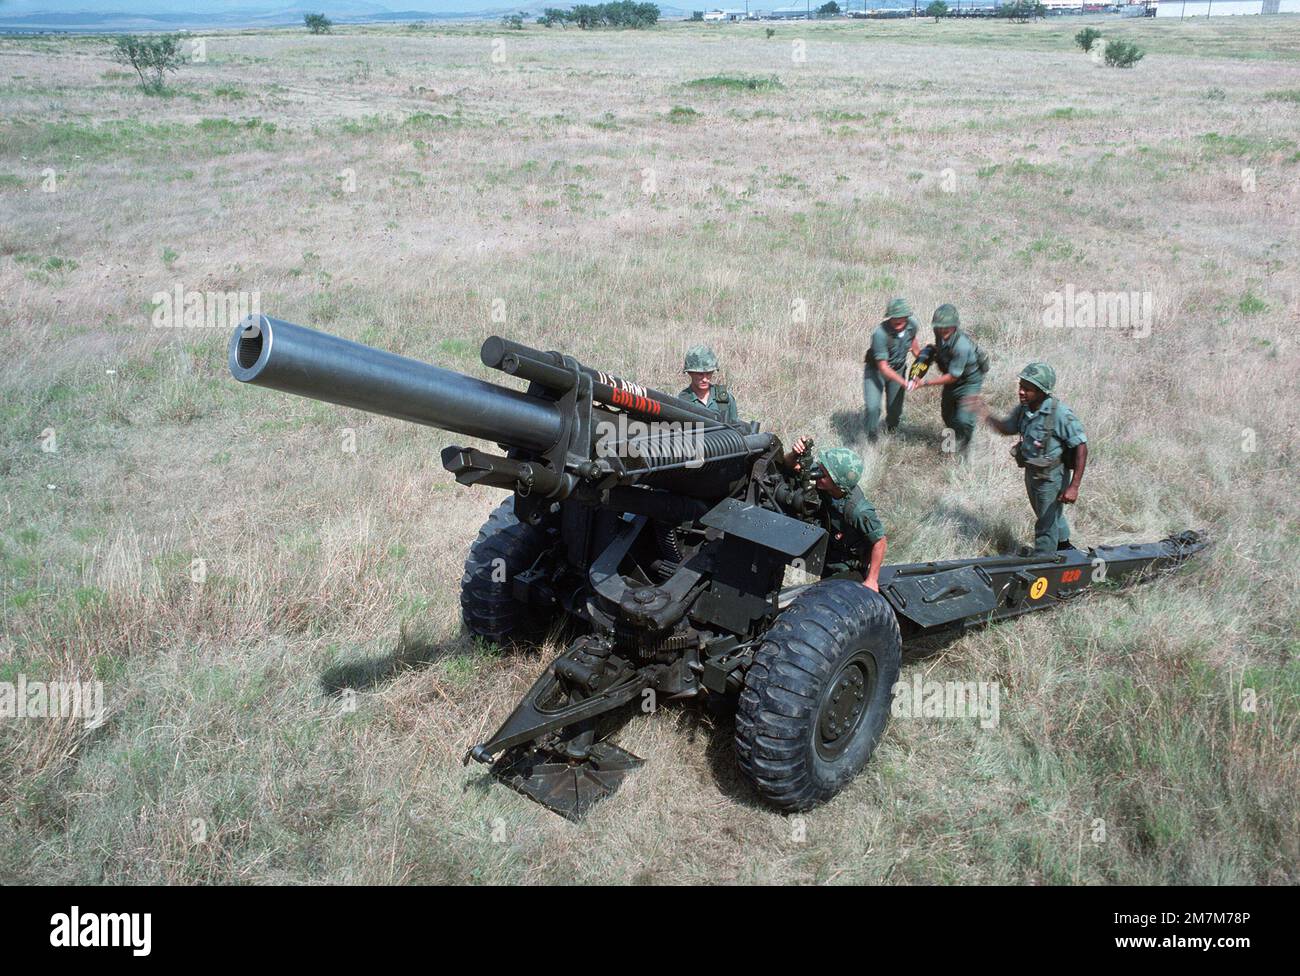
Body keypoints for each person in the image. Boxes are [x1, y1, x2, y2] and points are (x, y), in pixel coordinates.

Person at [971, 362, 1088, 554]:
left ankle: (1044, 560)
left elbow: (1081, 447)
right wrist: (983, 412)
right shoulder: (1024, 410)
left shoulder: (1059, 414)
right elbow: (1006, 428)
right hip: (1032, 473)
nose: (1021, 392)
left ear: (1042, 391)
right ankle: (1064, 546)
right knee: (1048, 513)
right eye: (1021, 386)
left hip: (1051, 477)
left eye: (1028, 389)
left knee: (1045, 522)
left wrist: (1074, 486)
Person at [784, 439, 887, 591]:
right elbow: (793, 465)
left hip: (847, 567)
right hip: (829, 553)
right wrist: (794, 454)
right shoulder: (826, 475)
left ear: (838, 484)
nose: (816, 475)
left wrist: (872, 580)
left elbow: (880, 542)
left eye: (822, 475)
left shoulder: (858, 511)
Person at [907, 304, 988, 459]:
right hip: (952, 381)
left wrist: (924, 383)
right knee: (947, 414)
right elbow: (937, 350)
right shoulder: (939, 332)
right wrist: (923, 357)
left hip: (968, 382)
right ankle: (949, 449)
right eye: (939, 327)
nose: (943, 330)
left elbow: (953, 376)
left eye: (947, 327)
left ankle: (965, 448)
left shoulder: (961, 346)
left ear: (955, 326)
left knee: (964, 420)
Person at [863, 297, 922, 442]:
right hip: (875, 372)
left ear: (907, 317)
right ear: (890, 317)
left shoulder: (912, 325)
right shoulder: (880, 334)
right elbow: (883, 367)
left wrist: (918, 373)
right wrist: (905, 383)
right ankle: (871, 439)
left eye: (902, 318)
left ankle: (891, 433)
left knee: (895, 410)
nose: (898, 322)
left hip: (898, 368)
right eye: (895, 318)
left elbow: (915, 348)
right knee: (873, 408)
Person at [679, 345, 738, 424]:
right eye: (700, 374)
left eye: (709, 373)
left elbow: (735, 428)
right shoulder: (683, 400)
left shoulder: (723, 397)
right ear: (690, 373)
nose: (705, 379)